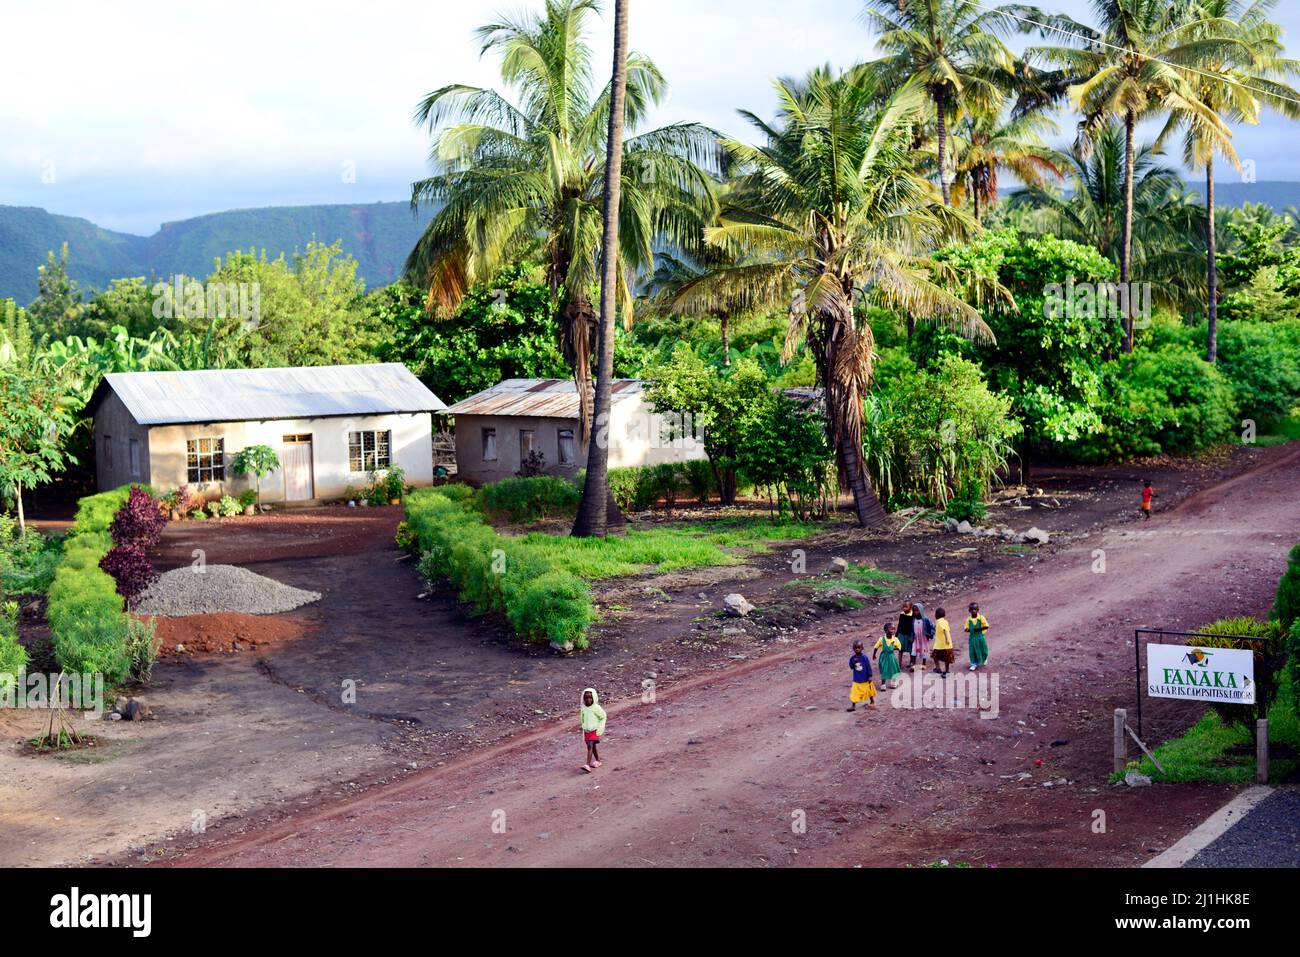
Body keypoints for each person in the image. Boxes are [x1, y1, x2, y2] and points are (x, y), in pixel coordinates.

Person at [580, 687, 606, 773]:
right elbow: (582, 718)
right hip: (587, 731)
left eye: (590, 697)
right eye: (586, 697)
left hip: (594, 730)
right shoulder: (583, 708)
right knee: (593, 746)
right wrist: (583, 728)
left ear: (594, 698)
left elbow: (603, 717)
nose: (588, 699)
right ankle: (598, 761)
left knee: (590, 745)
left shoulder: (596, 708)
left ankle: (587, 764)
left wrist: (600, 728)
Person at [847, 641, 877, 712]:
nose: (857, 649)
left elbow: (868, 667)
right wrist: (854, 662)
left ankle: (872, 701)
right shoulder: (852, 658)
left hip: (865, 678)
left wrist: (870, 675)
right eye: (855, 648)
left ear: (862, 648)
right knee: (854, 692)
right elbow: (851, 667)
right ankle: (853, 705)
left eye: (859, 648)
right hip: (857, 679)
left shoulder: (864, 658)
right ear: (853, 649)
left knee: (869, 690)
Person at [873, 623, 903, 689]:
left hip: (892, 657)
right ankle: (883, 684)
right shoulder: (882, 639)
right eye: (891, 629)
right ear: (886, 630)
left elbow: (899, 647)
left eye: (894, 629)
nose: (893, 630)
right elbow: (876, 647)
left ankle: (893, 682)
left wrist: (893, 648)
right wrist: (874, 655)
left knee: (893, 669)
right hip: (884, 657)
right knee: (884, 669)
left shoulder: (895, 639)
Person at [965, 603, 989, 671]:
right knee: (972, 651)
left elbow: (986, 626)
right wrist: (968, 630)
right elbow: (966, 628)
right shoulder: (968, 620)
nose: (973, 611)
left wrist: (979, 629)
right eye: (972, 610)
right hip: (972, 638)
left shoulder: (981, 618)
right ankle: (974, 664)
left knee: (983, 650)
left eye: (975, 609)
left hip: (980, 637)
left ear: (978, 610)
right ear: (969, 611)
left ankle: (984, 659)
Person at [911, 601, 934, 671]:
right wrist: (910, 636)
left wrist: (930, 634)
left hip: (923, 638)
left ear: (921, 610)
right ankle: (913, 665)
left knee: (924, 650)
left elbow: (932, 627)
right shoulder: (913, 620)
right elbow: (910, 629)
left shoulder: (926, 619)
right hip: (915, 638)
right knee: (913, 650)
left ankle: (924, 663)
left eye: (917, 610)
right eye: (914, 611)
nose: (916, 612)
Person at [932, 607, 954, 677]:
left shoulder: (940, 622)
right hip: (945, 644)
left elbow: (945, 631)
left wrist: (947, 639)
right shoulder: (945, 621)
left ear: (936, 615)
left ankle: (938, 667)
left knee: (935, 656)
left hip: (941, 644)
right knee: (946, 658)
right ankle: (946, 670)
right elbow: (948, 630)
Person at [897, 602, 916, 668]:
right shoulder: (902, 614)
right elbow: (899, 625)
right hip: (901, 634)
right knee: (900, 649)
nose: (904, 608)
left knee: (910, 650)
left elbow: (913, 626)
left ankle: (911, 662)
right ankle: (899, 664)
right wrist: (896, 635)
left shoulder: (912, 615)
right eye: (903, 607)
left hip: (908, 635)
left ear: (910, 608)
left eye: (906, 607)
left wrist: (912, 636)